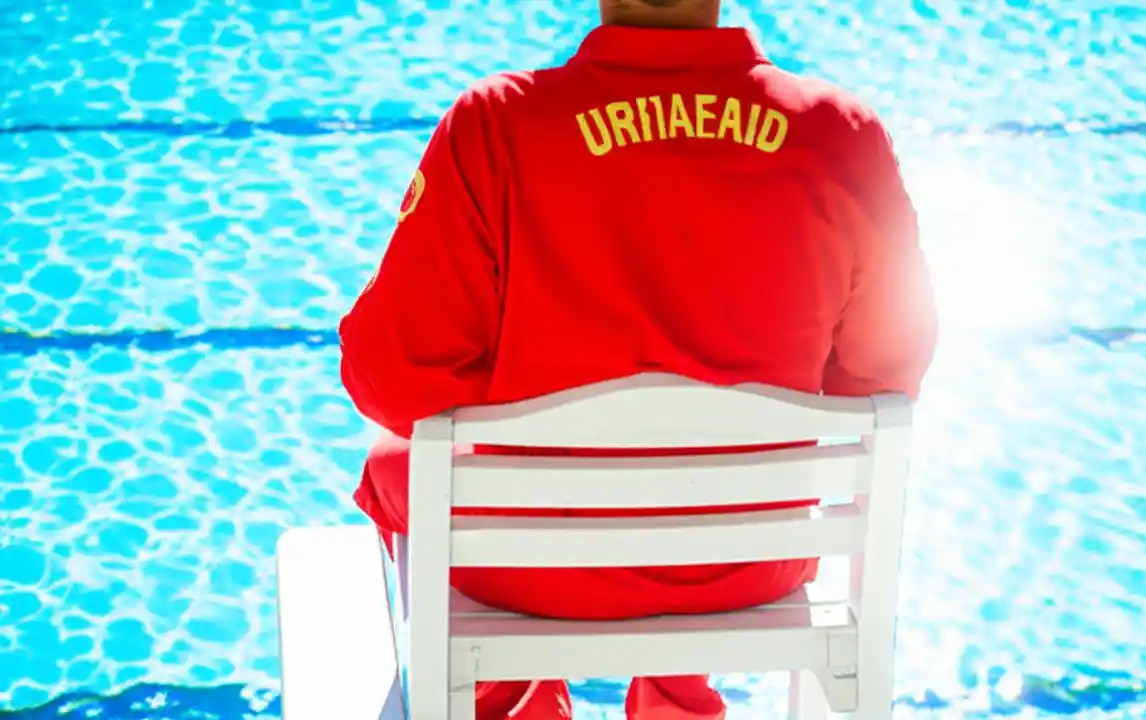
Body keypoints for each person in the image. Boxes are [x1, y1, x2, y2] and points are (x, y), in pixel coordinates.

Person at [339, 0, 937, 717]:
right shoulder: (841, 132)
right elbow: (886, 374)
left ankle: (514, 700)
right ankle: (675, 699)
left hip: (530, 568)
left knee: (394, 464)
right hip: (749, 564)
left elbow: (395, 376)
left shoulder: (497, 125)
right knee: (700, 478)